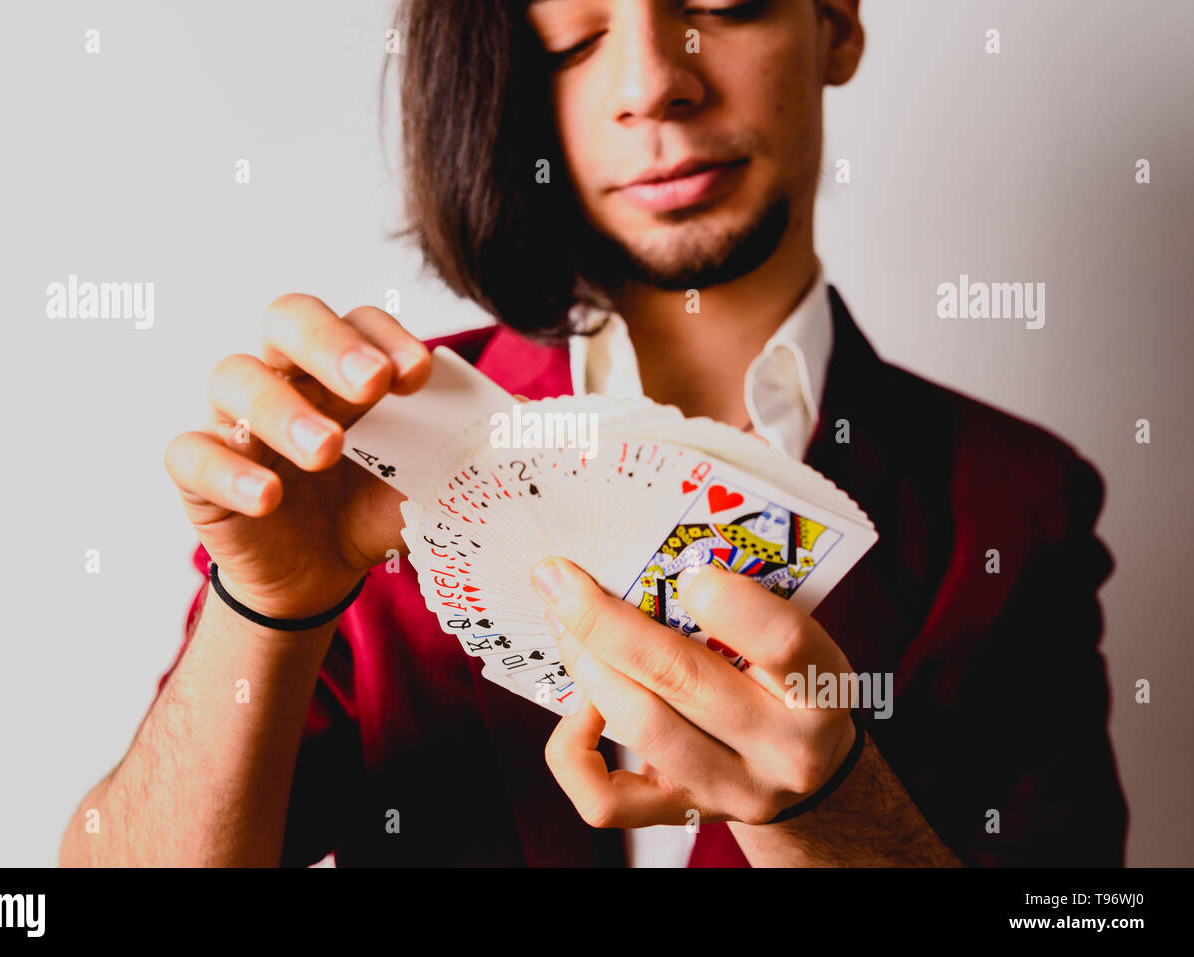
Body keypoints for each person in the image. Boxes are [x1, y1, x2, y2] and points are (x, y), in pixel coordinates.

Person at [59, 0, 1127, 867]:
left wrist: (831, 818)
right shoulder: (358, 445)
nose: (651, 82)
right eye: (573, 35)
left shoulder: (1018, 500)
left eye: (724, 4)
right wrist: (268, 608)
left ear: (836, 20)